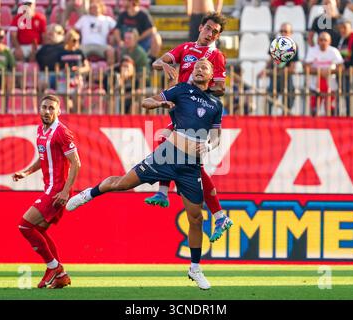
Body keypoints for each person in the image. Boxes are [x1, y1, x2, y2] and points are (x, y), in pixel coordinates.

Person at [66, 59, 222, 290]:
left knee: (196, 219)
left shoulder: (215, 104)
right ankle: (89, 194)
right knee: (122, 183)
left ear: (211, 76)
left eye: (204, 68)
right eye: (197, 67)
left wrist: (209, 146)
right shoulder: (181, 89)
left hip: (191, 166)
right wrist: (160, 104)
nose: (199, 69)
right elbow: (146, 101)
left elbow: (217, 136)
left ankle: (195, 268)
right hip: (168, 155)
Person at [147, 12, 232, 243]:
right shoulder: (185, 48)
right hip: (180, 109)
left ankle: (163, 192)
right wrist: (165, 67)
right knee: (192, 167)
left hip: (195, 112)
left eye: (215, 32)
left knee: (165, 140)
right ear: (201, 27)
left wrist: (193, 90)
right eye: (208, 28)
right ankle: (220, 215)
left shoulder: (216, 56)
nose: (210, 34)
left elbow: (221, 88)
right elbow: (157, 61)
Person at [13, 94, 81, 289]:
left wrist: (66, 191)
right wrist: (26, 172)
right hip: (51, 189)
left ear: (58, 111)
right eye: (44, 107)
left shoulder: (62, 132)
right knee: (38, 230)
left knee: (24, 226)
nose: (47, 111)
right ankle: (61, 275)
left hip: (58, 191)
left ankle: (54, 267)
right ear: (39, 109)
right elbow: (43, 158)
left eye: (52, 108)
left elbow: (76, 163)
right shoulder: (41, 130)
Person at [258, 22, 299, 115]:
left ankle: (285, 121)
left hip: (286, 78)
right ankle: (268, 121)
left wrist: (282, 70)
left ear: (291, 33)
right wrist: (264, 70)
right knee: (269, 101)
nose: (283, 33)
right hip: (275, 77)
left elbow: (292, 67)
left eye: (286, 31)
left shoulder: (294, 46)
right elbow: (270, 60)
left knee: (289, 101)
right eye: (281, 31)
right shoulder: (275, 43)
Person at [305, 32, 344, 115]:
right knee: (314, 111)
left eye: (325, 40)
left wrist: (329, 71)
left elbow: (341, 67)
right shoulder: (312, 50)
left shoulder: (334, 51)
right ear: (318, 41)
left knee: (330, 110)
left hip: (330, 85)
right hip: (315, 86)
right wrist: (320, 71)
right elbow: (306, 67)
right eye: (321, 40)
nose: (323, 42)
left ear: (329, 41)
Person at [335, 18, 353, 116]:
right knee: (339, 94)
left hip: (351, 71)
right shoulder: (340, 39)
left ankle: (349, 115)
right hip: (340, 70)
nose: (342, 30)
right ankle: (338, 114)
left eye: (345, 28)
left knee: (349, 94)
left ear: (350, 28)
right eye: (341, 28)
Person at [57, 29, 91, 111]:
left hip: (76, 77)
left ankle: (77, 114)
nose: (76, 42)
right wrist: (63, 70)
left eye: (77, 40)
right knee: (66, 96)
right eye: (74, 40)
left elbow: (87, 67)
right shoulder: (61, 53)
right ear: (68, 40)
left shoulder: (80, 52)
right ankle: (70, 114)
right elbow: (57, 68)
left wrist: (79, 69)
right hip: (64, 78)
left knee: (77, 97)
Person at [74, 0, 116, 66]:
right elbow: (74, 30)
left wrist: (113, 37)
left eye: (96, 7)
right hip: (86, 45)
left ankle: (109, 72)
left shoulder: (107, 19)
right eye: (92, 7)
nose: (94, 9)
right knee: (76, 52)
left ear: (101, 8)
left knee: (111, 51)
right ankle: (78, 73)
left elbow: (117, 29)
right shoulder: (84, 18)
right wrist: (75, 40)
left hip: (101, 46)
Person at [36, 24, 65, 92]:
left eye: (51, 34)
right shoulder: (43, 48)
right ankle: (41, 102)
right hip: (46, 75)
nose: (48, 37)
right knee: (41, 84)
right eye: (47, 34)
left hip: (61, 75)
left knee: (64, 89)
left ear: (60, 34)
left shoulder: (65, 47)